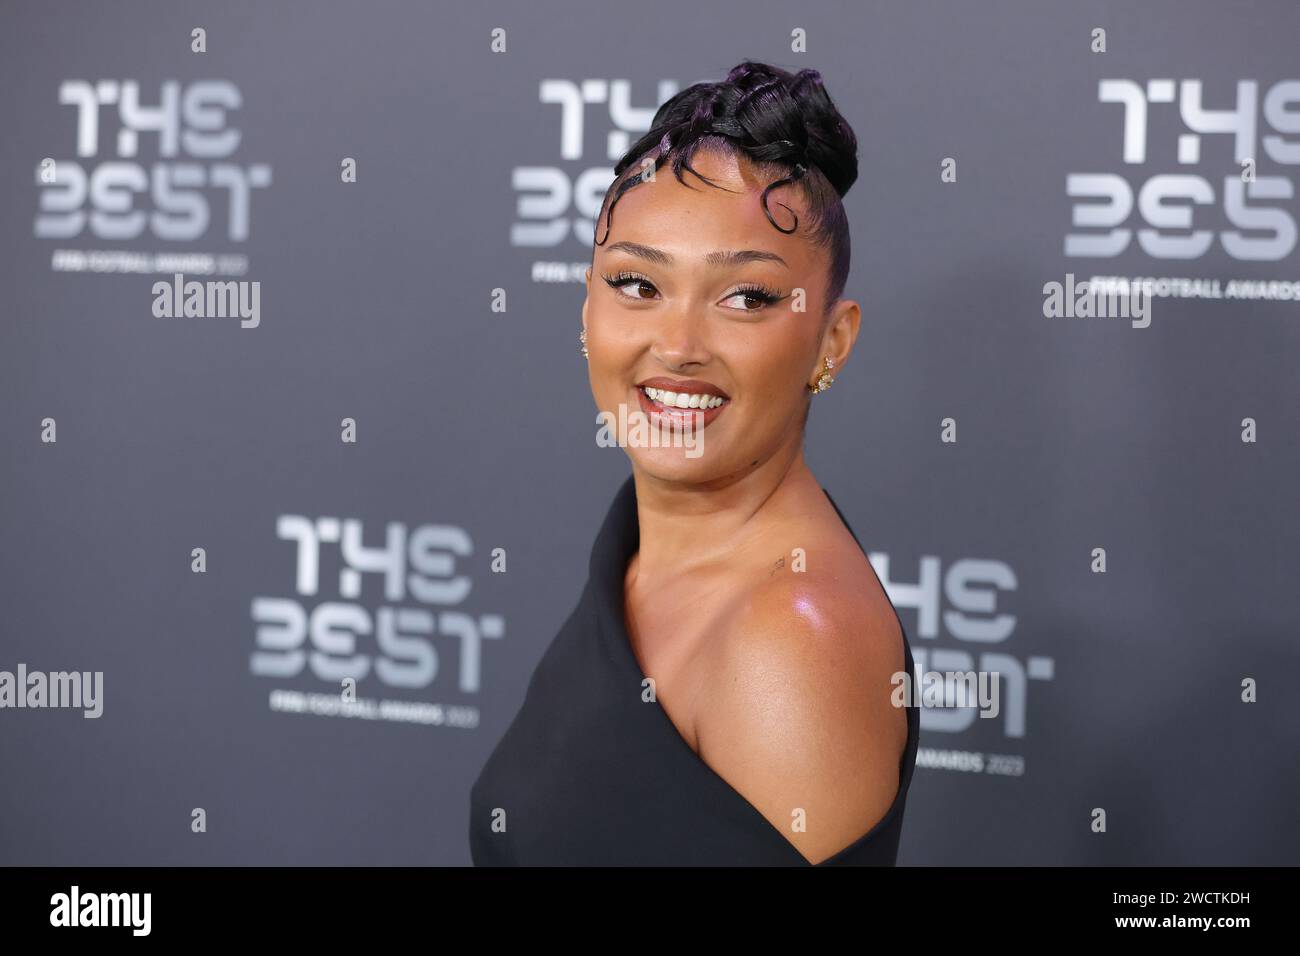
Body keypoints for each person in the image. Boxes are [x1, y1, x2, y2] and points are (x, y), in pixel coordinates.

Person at [469, 60, 919, 865]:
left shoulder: (788, 643)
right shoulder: (642, 548)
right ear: (586, 307)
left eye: (746, 297)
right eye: (637, 284)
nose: (677, 346)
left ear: (833, 341)